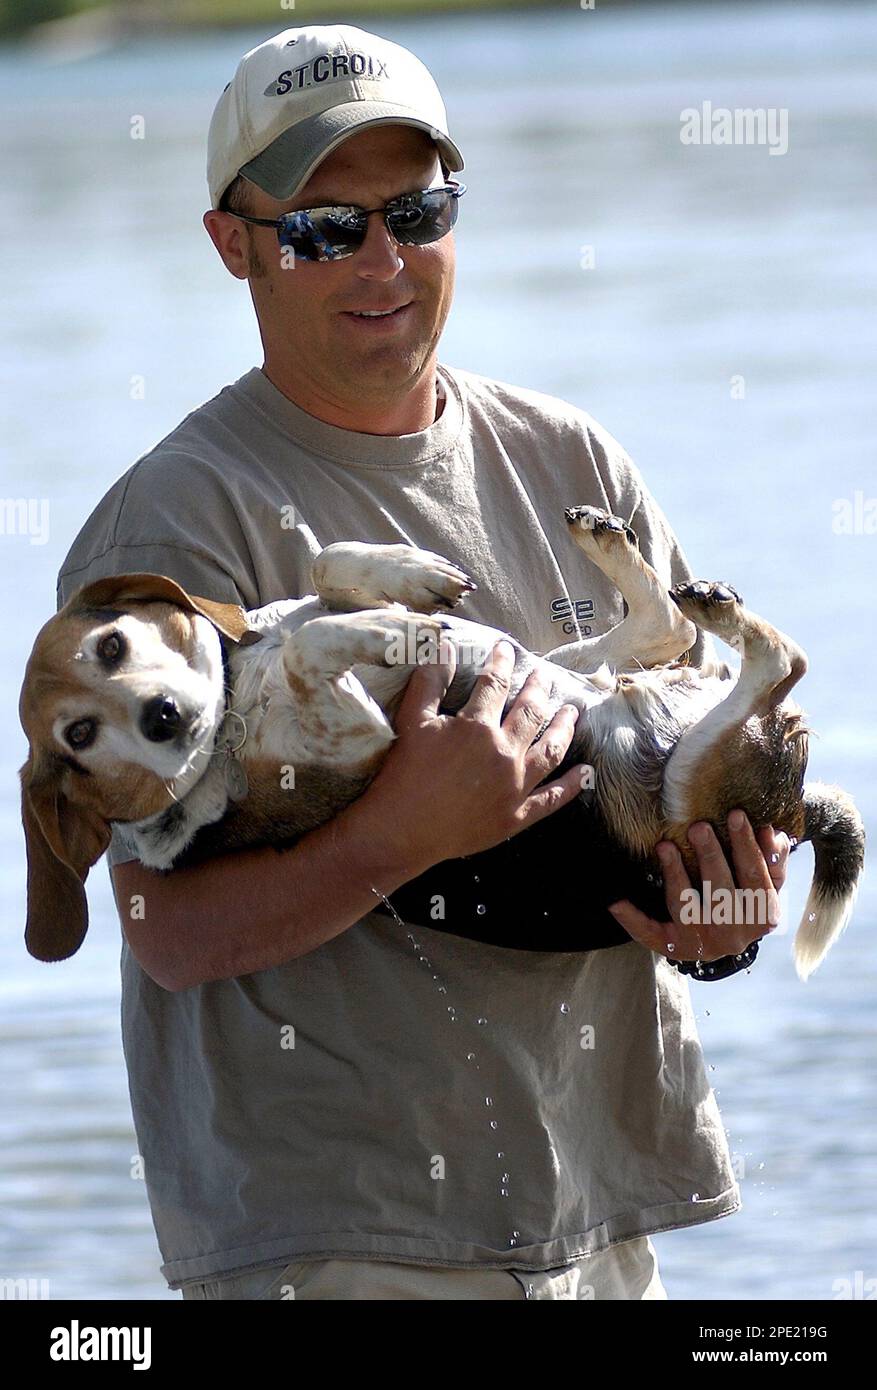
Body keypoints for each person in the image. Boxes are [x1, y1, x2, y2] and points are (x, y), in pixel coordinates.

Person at [56, 24, 789, 1301]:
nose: (384, 259)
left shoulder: (575, 460)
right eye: (327, 228)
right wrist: (396, 835)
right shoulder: (169, 536)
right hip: (344, 1244)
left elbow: (688, 841)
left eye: (418, 209)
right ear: (235, 245)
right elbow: (155, 925)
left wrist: (723, 917)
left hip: (602, 1219)